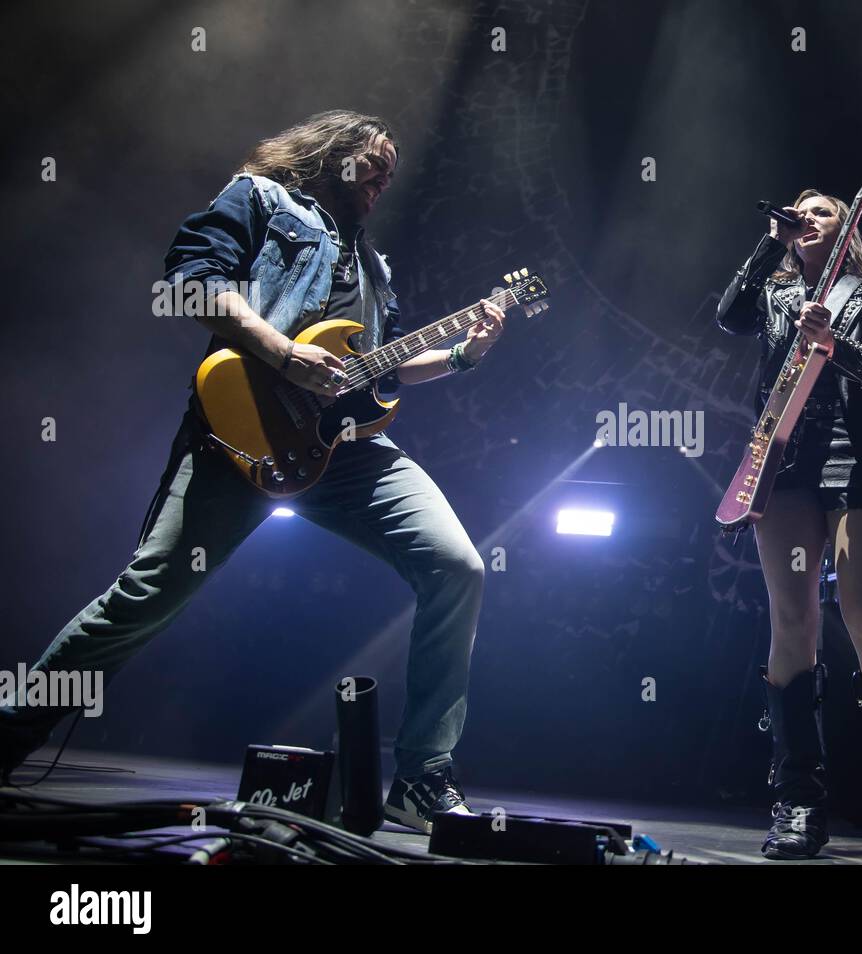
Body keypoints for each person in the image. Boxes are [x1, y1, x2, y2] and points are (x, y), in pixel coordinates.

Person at [0, 111, 508, 832]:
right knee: (143, 598)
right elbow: (192, 278)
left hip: (346, 449)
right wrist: (279, 349)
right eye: (376, 163)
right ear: (334, 155)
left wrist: (462, 353)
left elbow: (382, 364)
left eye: (394, 171)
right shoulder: (261, 199)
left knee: (458, 566)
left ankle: (421, 776)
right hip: (243, 431)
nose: (386, 178)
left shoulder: (373, 265)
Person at [716, 189, 862, 861]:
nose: (804, 217)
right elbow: (728, 317)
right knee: (791, 623)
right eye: (797, 211)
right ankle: (796, 804)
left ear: (848, 228)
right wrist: (768, 244)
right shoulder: (778, 291)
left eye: (819, 211)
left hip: (860, 464)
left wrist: (830, 341)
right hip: (786, 464)